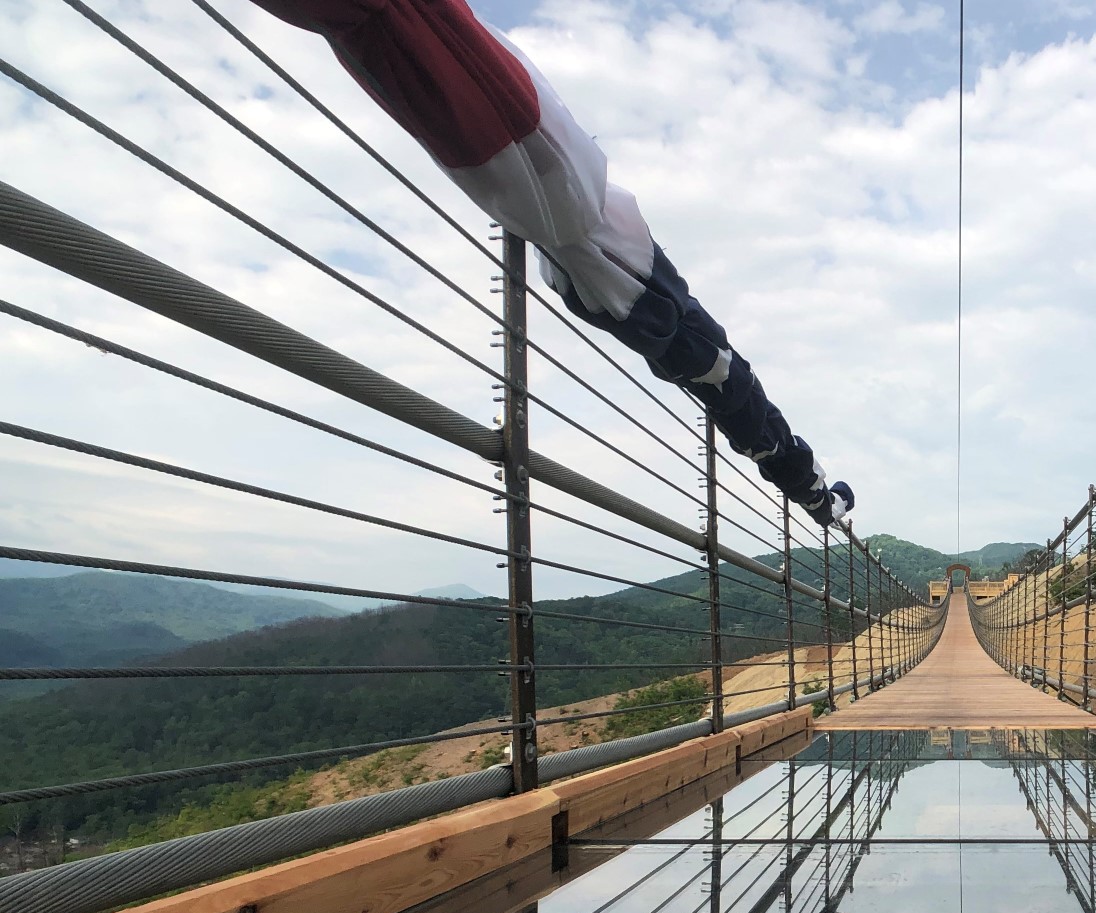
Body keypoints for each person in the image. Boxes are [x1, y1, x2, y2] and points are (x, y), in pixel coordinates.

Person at [253, 0, 855, 526]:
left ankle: (817, 493)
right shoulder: (569, 217)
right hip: (584, 226)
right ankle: (819, 496)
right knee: (728, 379)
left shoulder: (571, 221)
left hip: (579, 221)